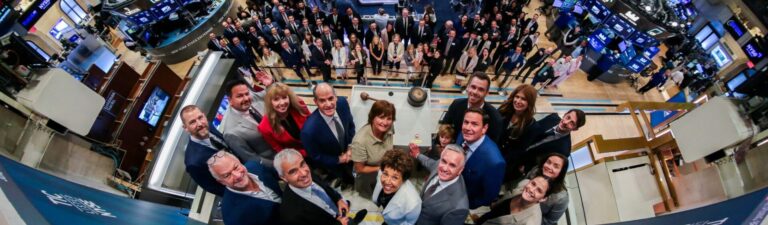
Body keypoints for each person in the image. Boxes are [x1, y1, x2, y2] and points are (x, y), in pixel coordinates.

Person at [275, 149, 367, 225]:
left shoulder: (308, 173)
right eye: (293, 171)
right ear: (284, 178)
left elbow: (325, 187)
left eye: (302, 164)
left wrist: (338, 199)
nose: (304, 173)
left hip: (337, 213)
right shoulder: (291, 217)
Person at [301, 83, 356, 188]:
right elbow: (316, 156)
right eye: (322, 100)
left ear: (336, 97)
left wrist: (350, 147)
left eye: (331, 98)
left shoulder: (343, 103)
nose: (328, 104)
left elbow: (350, 126)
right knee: (343, 176)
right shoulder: (308, 131)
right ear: (315, 102)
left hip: (350, 154)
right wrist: (338, 159)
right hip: (334, 164)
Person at [208, 151, 281, 225]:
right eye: (227, 175)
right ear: (221, 182)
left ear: (240, 162)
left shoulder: (255, 165)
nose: (238, 176)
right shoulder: (232, 217)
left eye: (236, 167)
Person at [455, 108, 506, 209]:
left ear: (484, 128)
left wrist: (467, 205)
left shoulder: (494, 162)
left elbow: (489, 196)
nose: (468, 128)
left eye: (474, 124)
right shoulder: (462, 135)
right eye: (466, 122)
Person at [408, 144, 469, 225]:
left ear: (460, 170)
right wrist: (417, 155)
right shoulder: (439, 163)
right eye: (443, 161)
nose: (445, 168)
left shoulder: (459, 208)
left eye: (452, 165)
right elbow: (429, 163)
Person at [220, 79, 275, 166]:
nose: (246, 98)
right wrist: (278, 166)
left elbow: (267, 93)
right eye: (239, 96)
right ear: (230, 100)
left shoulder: (251, 98)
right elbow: (251, 159)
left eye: (247, 93)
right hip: (273, 161)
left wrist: (270, 85)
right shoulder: (230, 132)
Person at [350, 100, 396, 198]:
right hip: (367, 176)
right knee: (369, 194)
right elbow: (359, 168)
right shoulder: (360, 141)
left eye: (389, 118)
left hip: (383, 169)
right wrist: (383, 169)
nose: (385, 122)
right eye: (381, 117)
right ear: (372, 117)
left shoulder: (390, 126)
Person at [179, 105, 228, 196]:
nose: (200, 124)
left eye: (200, 117)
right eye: (192, 122)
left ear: (204, 116)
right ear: (185, 128)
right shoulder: (193, 163)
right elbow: (214, 188)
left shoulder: (208, 126)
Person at [441, 73, 503, 142]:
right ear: (467, 87)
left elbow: (491, 143)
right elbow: (444, 126)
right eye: (473, 87)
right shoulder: (456, 104)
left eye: (481, 89)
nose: (475, 92)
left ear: (487, 93)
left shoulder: (495, 118)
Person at [497, 84, 539, 181]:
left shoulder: (532, 126)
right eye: (517, 97)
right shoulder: (504, 109)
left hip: (501, 161)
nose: (518, 101)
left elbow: (517, 152)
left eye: (523, 99)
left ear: (530, 102)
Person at [521, 109, 586, 172]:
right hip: (517, 145)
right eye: (568, 117)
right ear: (564, 115)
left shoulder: (564, 150)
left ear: (575, 129)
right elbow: (534, 128)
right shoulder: (553, 117)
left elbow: (543, 162)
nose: (565, 122)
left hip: (522, 164)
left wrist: (526, 168)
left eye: (572, 123)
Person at [513, 153, 569, 225]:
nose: (549, 167)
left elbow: (549, 221)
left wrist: (526, 219)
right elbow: (523, 184)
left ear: (561, 172)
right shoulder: (536, 170)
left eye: (556, 166)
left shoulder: (562, 198)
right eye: (548, 162)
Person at [258, 83, 310, 157]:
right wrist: (303, 153)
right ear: (270, 102)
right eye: (276, 99)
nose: (282, 103)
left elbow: (313, 123)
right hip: (298, 157)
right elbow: (279, 149)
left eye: (284, 97)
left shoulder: (299, 104)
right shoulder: (264, 126)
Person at [474, 176, 551, 225]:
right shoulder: (522, 186)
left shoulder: (531, 222)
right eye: (533, 184)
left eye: (539, 190)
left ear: (543, 198)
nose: (531, 189)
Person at [372, 150, 421, 225]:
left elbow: (409, 223)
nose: (387, 181)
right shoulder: (381, 173)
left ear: (404, 179)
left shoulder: (413, 204)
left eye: (395, 177)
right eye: (385, 174)